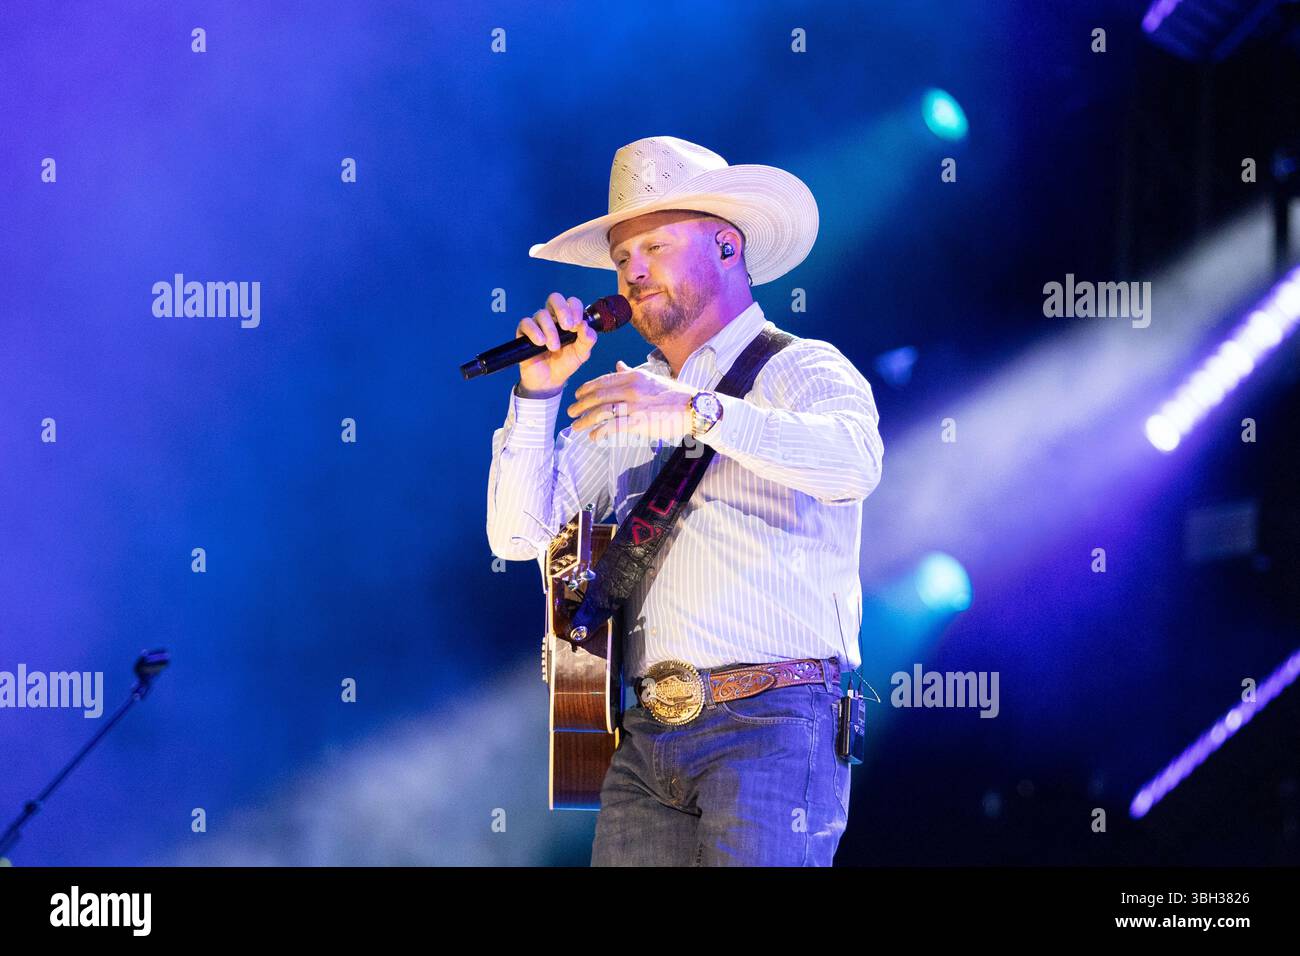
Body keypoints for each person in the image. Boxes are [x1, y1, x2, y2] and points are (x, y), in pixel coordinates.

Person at [486, 135, 884, 865]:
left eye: (656, 247)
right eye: (621, 257)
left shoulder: (801, 366)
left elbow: (853, 463)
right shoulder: (624, 399)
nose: (632, 272)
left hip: (772, 722)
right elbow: (518, 535)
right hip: (646, 737)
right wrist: (538, 393)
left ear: (727, 248)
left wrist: (695, 410)